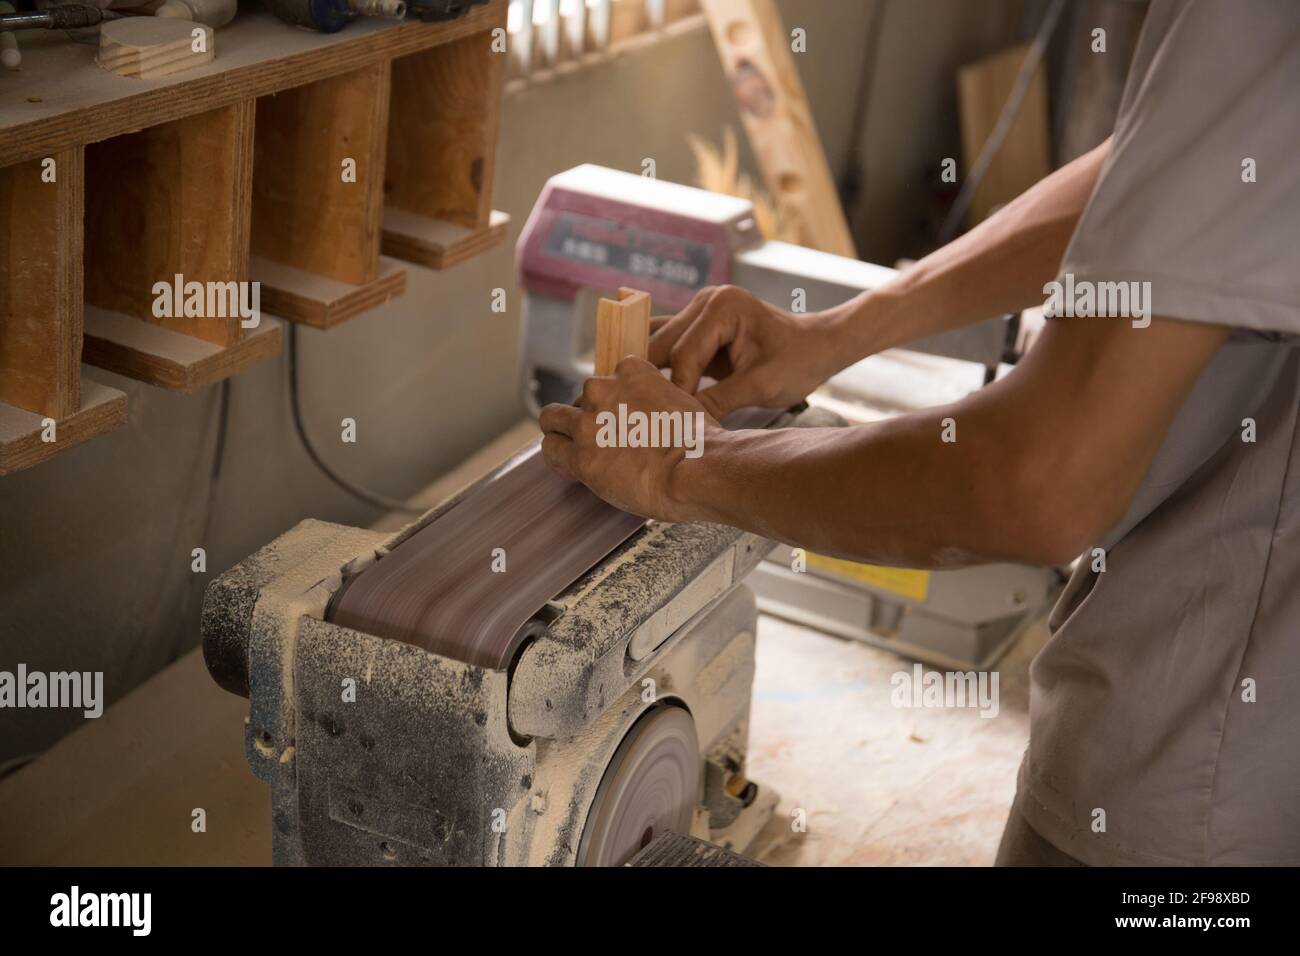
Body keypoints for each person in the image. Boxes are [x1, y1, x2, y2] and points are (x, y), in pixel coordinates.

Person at [539, 0, 1299, 865]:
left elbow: (1035, 485)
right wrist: (839, 332)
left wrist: (685, 463)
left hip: (1211, 790)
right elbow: (1162, 170)